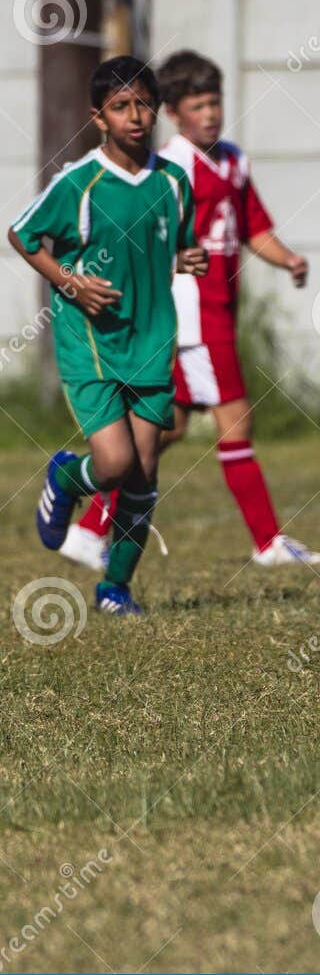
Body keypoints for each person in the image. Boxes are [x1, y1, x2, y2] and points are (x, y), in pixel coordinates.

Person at [60, 49, 320, 571]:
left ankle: (89, 530)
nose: (211, 114)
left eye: (216, 102)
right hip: (191, 316)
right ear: (173, 112)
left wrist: (288, 258)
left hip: (218, 311)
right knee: (236, 423)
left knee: (164, 430)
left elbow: (252, 228)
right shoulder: (171, 165)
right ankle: (267, 541)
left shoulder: (232, 159)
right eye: (198, 105)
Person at [8, 56, 208, 614]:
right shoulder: (79, 182)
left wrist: (188, 258)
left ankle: (114, 589)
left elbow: (174, 247)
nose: (136, 116)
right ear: (99, 117)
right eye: (121, 107)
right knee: (115, 464)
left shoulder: (173, 181)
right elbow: (22, 235)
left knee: (143, 475)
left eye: (144, 104)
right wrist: (70, 283)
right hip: (90, 341)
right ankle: (67, 479)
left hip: (151, 338)